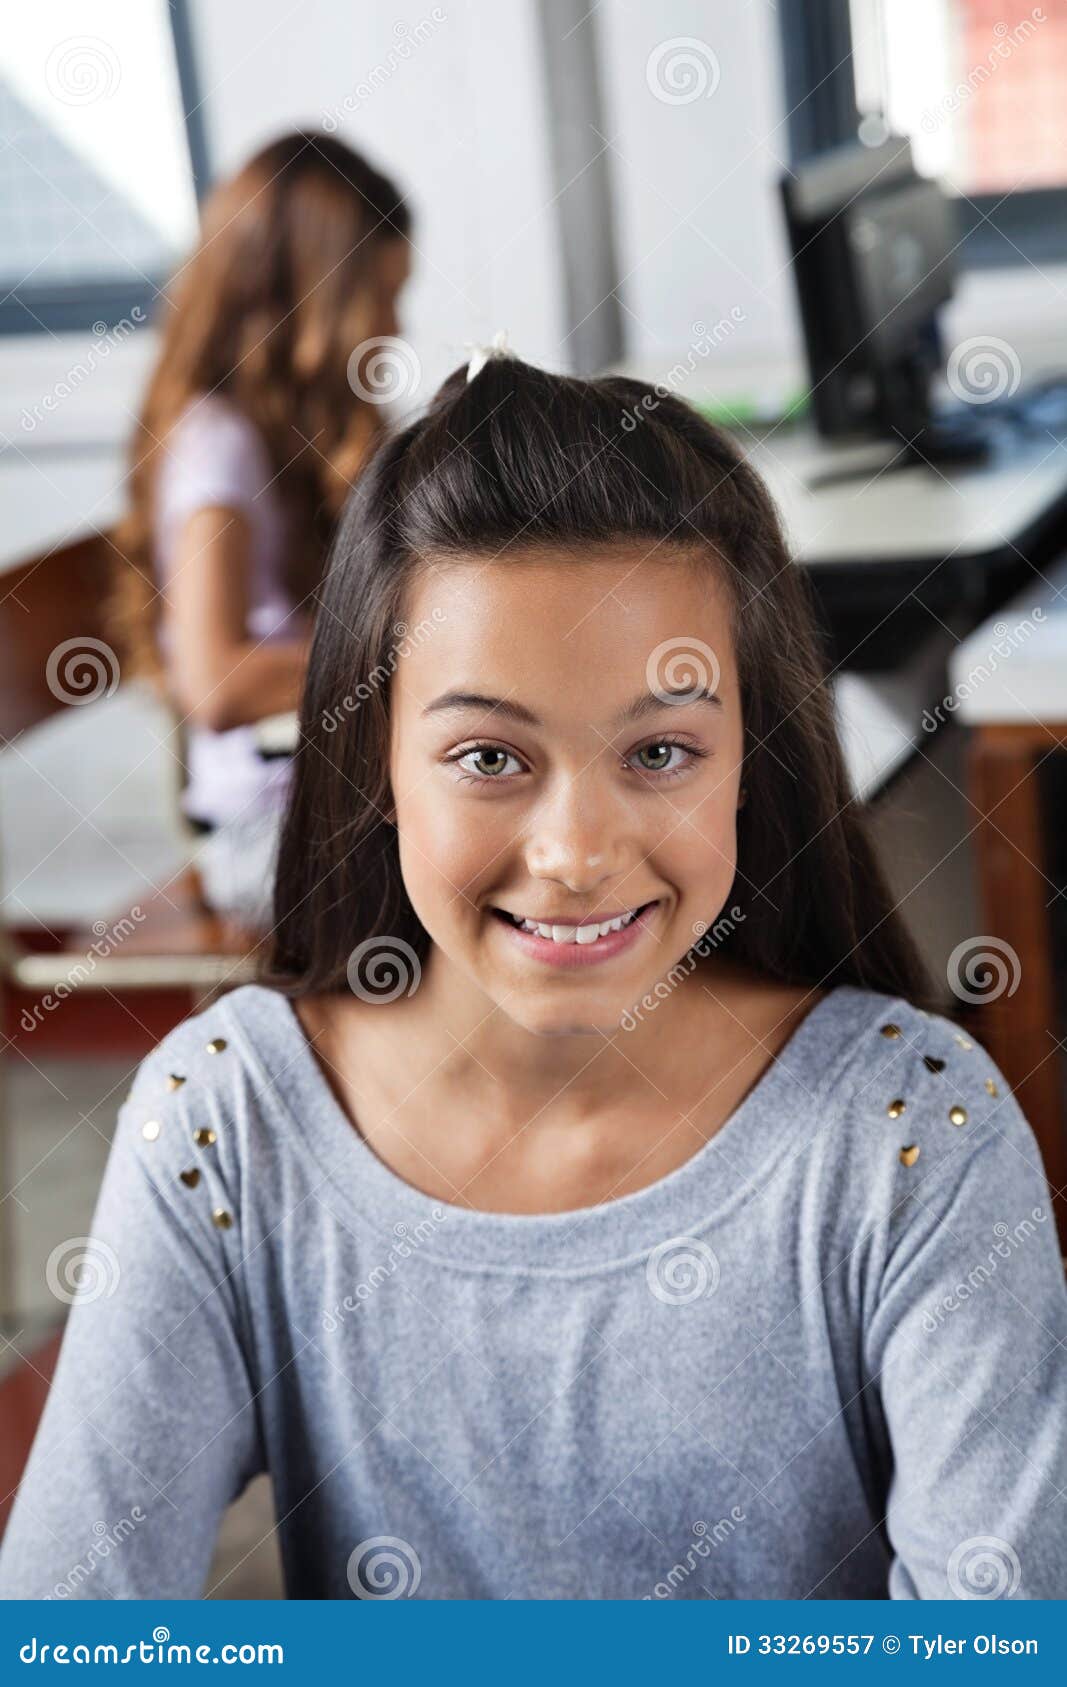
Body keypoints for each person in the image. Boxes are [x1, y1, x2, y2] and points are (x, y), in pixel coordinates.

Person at [3, 351, 1065, 1600]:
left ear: (750, 759)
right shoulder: (225, 1121)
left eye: (660, 749)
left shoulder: (912, 1132)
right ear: (374, 763)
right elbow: (74, 1632)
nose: (573, 854)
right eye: (489, 756)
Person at [106, 130, 412, 925]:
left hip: (324, 795)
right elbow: (214, 684)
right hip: (265, 833)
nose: (396, 326)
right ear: (318, 299)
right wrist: (409, 650)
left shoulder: (292, 434)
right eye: (383, 296)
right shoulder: (218, 448)